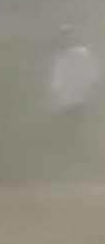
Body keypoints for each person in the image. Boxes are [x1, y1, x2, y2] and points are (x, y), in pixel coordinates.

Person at [46, 27, 98, 175]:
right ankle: (76, 164)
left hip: (78, 102)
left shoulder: (80, 55)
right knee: (74, 134)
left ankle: (81, 164)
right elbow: (56, 82)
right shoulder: (62, 57)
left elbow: (92, 76)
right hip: (71, 103)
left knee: (78, 133)